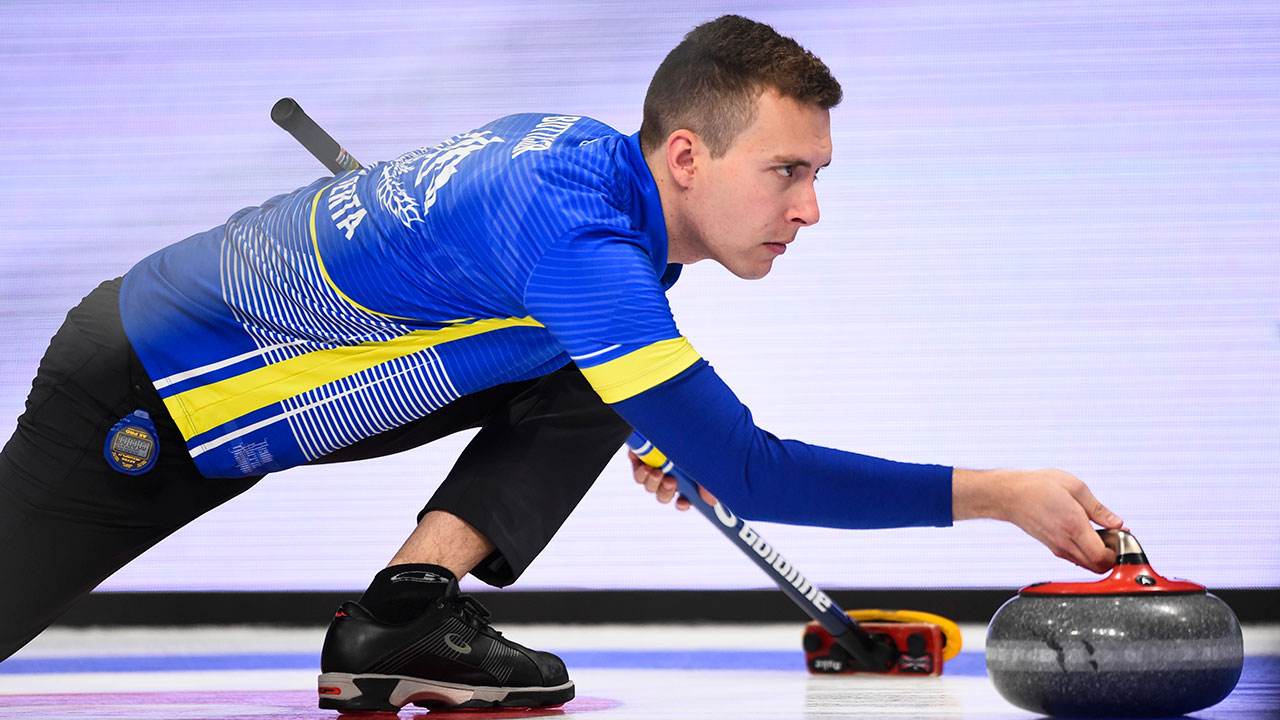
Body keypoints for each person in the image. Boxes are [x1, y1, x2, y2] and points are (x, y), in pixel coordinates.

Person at [0, 14, 1123, 713]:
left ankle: (402, 616)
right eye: (786, 170)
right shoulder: (583, 244)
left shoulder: (590, 171)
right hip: (147, 388)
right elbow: (752, 473)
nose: (810, 208)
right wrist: (998, 496)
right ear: (686, 154)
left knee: (609, 379)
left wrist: (648, 415)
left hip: (284, 369)